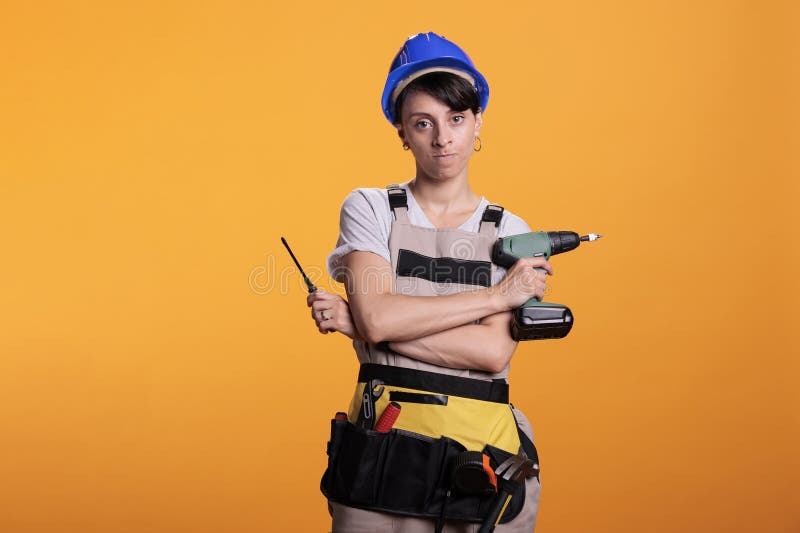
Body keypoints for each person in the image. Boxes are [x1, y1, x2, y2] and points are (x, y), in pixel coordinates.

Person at [309, 32, 551, 533]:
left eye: (456, 119)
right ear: (402, 131)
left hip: (480, 460)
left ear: (477, 120)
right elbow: (379, 316)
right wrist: (495, 296)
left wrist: (363, 323)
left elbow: (490, 354)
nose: (443, 139)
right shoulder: (370, 208)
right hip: (380, 456)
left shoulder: (513, 232)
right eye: (424, 123)